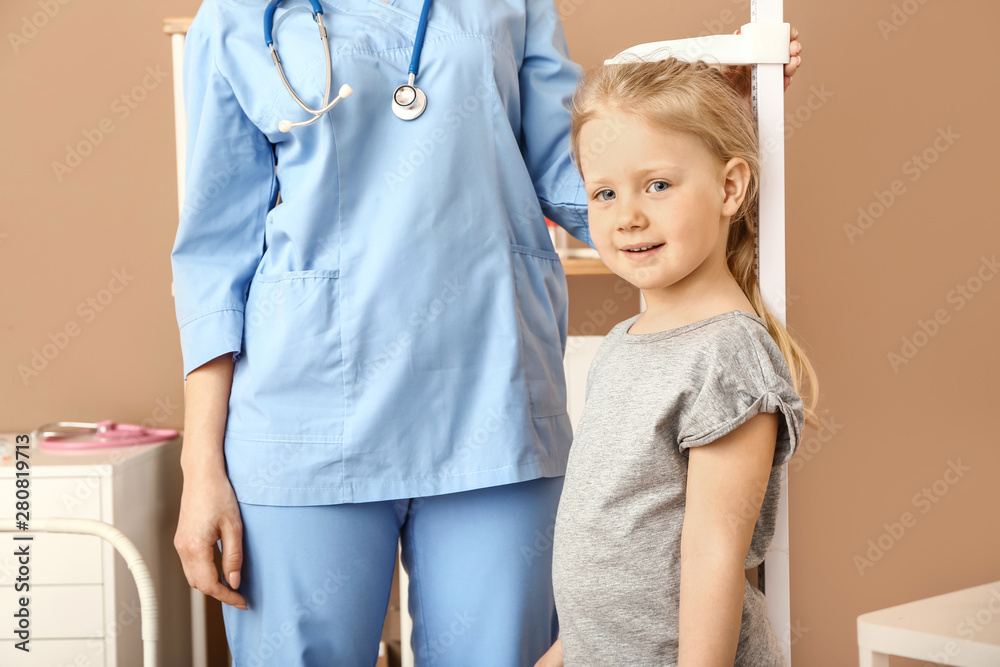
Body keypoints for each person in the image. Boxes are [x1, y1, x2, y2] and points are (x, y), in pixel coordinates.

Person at [169, 0, 805, 663]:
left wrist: (716, 111)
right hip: (304, 419)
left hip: (490, 410)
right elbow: (215, 255)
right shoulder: (239, 16)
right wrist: (200, 463)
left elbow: (587, 180)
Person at [544, 57, 820, 666]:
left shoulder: (726, 354)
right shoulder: (623, 342)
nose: (628, 215)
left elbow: (713, 555)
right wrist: (570, 651)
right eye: (605, 192)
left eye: (658, 184)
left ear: (729, 188)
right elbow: (624, 536)